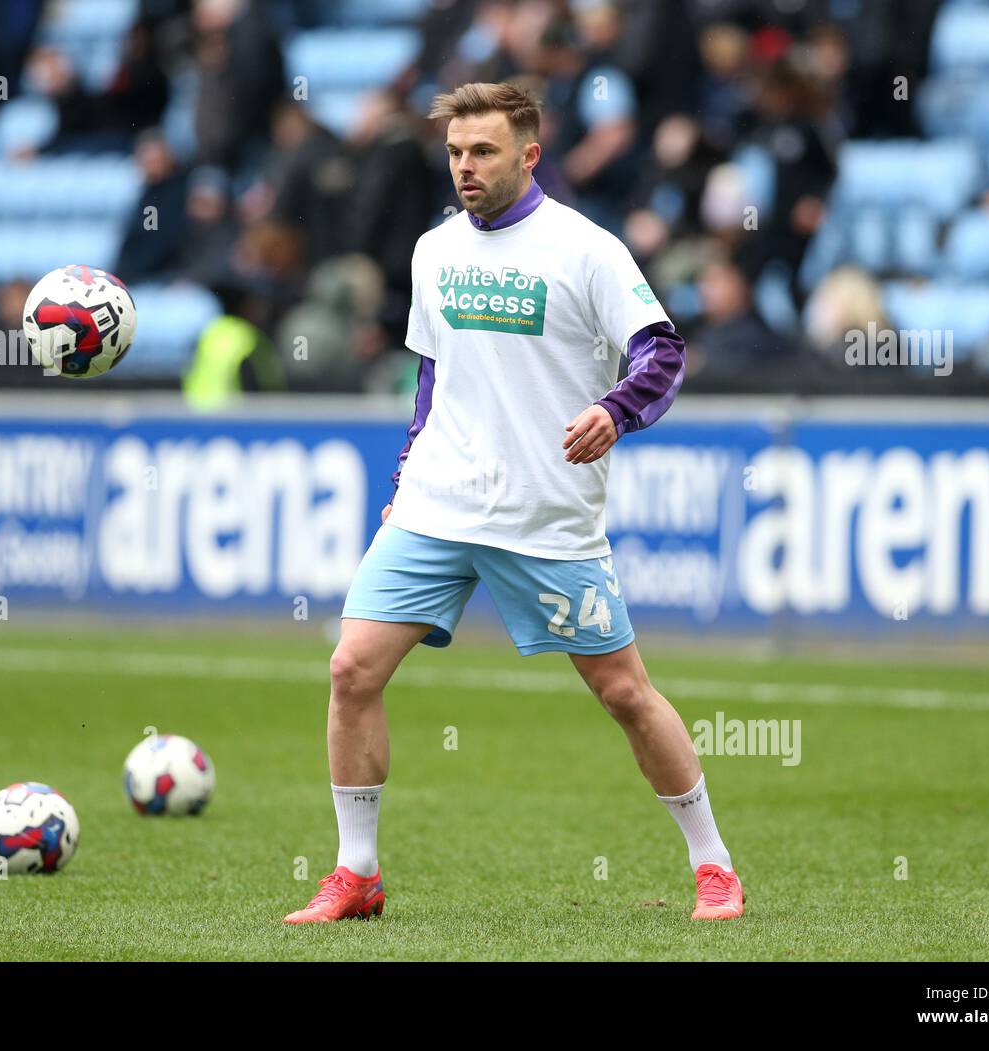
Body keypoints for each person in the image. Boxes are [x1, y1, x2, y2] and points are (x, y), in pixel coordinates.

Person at [284, 82, 743, 926]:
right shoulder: (432, 251)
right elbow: (433, 379)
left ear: (529, 155)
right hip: (436, 504)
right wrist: (404, 480)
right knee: (351, 668)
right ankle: (357, 873)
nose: (466, 166)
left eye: (483, 150)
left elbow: (663, 352)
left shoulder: (587, 249)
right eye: (456, 151)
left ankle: (713, 864)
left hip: (546, 515)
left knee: (625, 694)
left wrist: (615, 409)